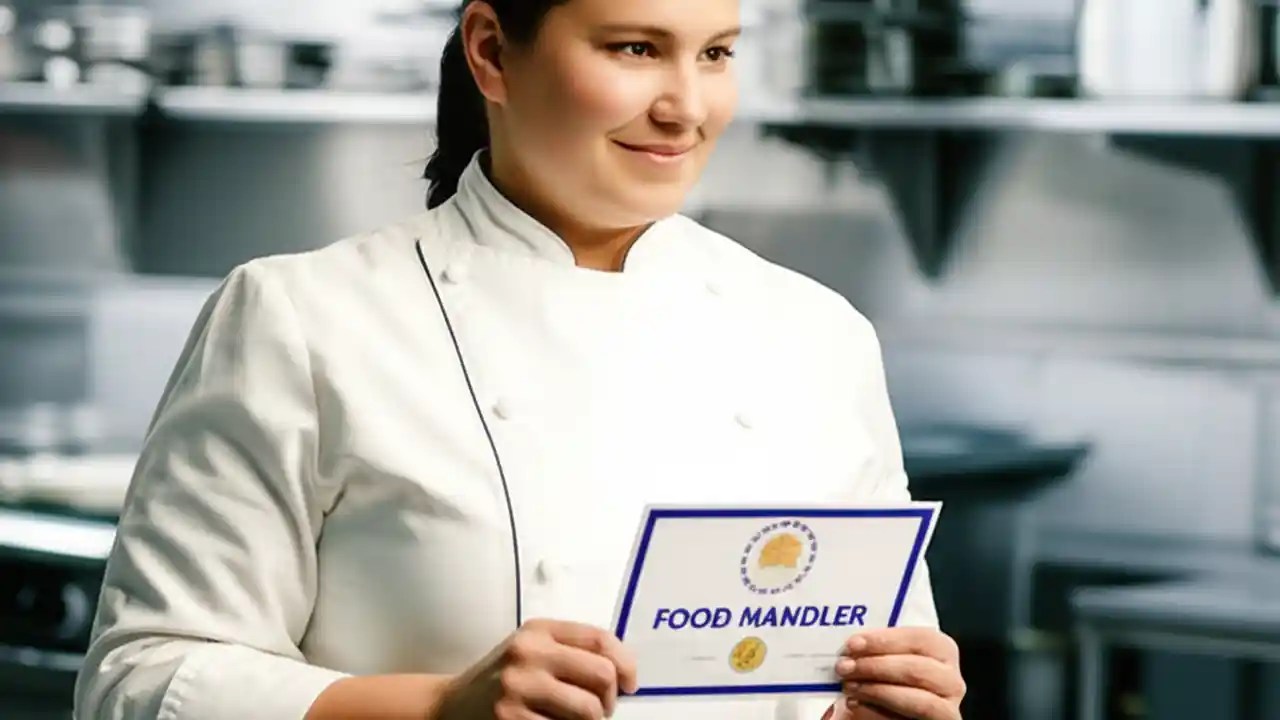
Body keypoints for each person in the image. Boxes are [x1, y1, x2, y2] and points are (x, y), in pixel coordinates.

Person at [73, 0, 966, 718]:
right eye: (634, 49)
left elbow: (860, 668)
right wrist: (434, 710)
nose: (687, 107)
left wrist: (894, 704)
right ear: (492, 52)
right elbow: (138, 683)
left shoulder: (817, 335)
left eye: (717, 54)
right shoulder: (305, 317)